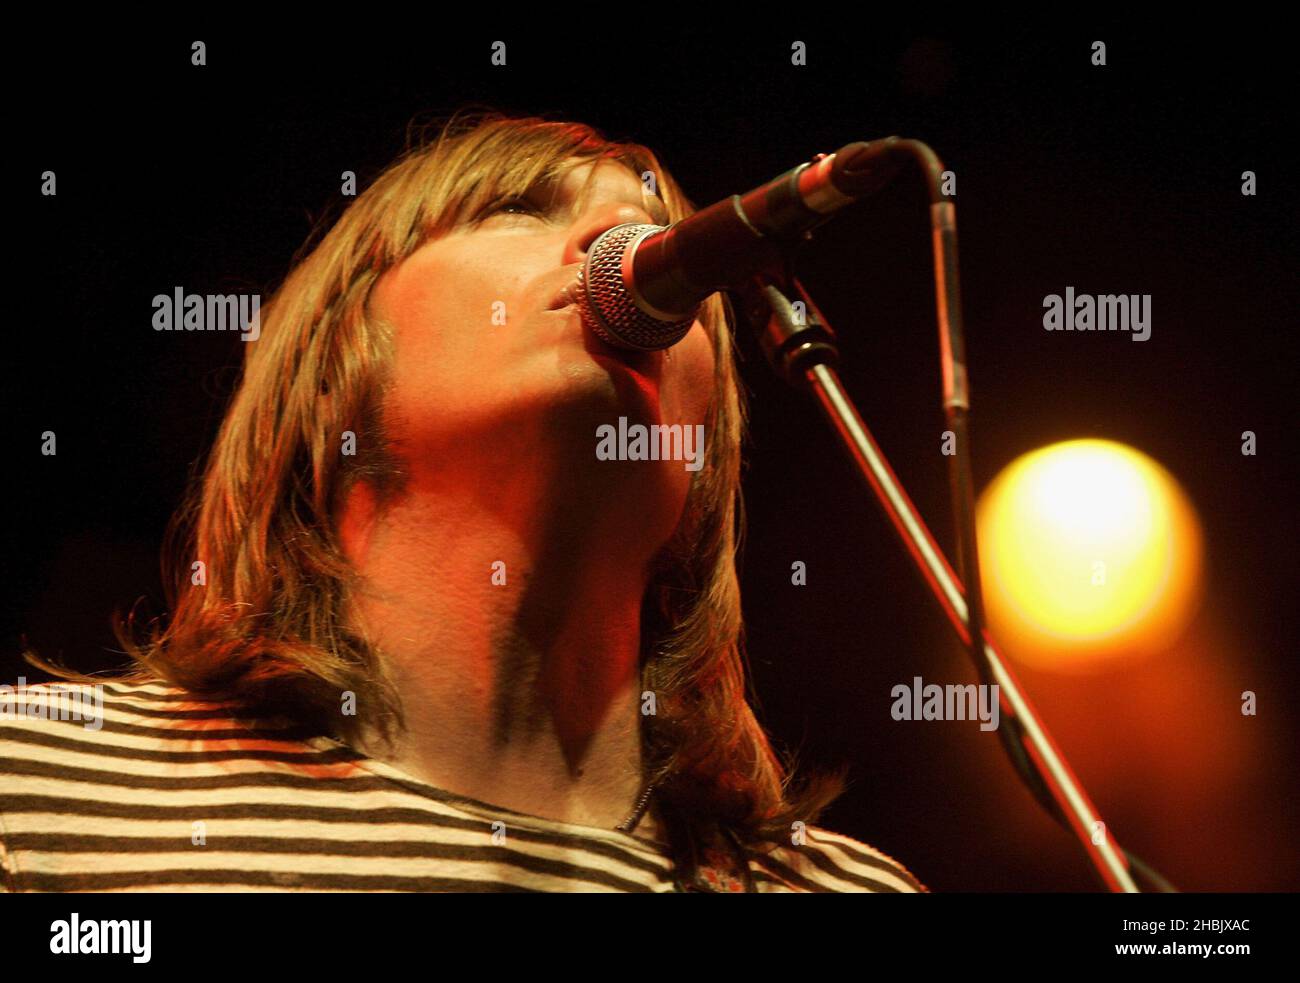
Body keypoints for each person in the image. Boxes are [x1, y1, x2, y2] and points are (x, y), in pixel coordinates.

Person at [0, 110, 926, 893]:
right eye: (519, 208)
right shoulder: (32, 789)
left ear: (706, 458)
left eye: (647, 222)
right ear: (332, 372)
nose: (616, 239)